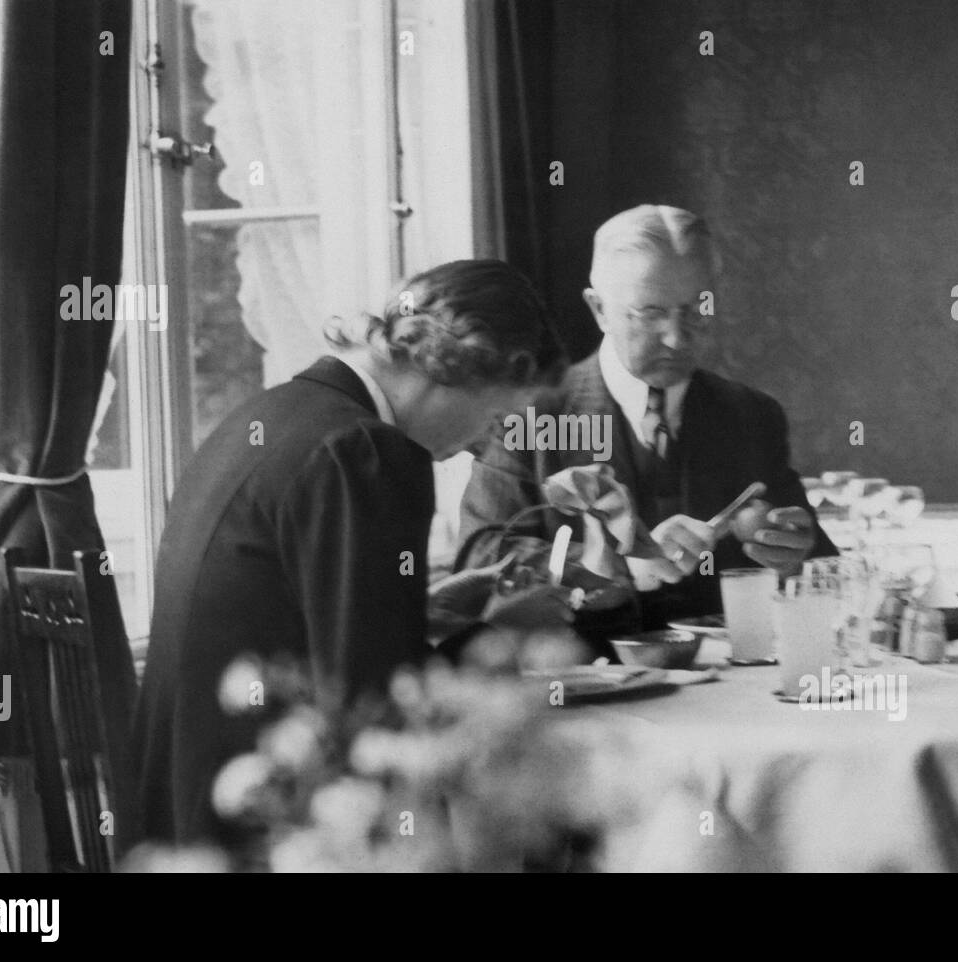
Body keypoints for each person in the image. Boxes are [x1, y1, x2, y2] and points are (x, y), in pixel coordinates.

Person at [133, 259, 566, 845]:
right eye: (497, 417)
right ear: (456, 368)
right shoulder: (364, 453)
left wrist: (432, 609)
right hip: (266, 827)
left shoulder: (274, 413)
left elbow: (302, 624)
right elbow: (375, 713)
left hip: (182, 809)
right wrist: (500, 636)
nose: (483, 444)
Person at [457, 205, 836, 630]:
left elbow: (821, 568)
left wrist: (794, 555)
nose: (676, 338)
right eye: (651, 313)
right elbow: (480, 556)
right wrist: (620, 562)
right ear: (599, 309)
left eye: (695, 310)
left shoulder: (751, 416)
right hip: (575, 678)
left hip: (727, 685)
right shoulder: (528, 415)